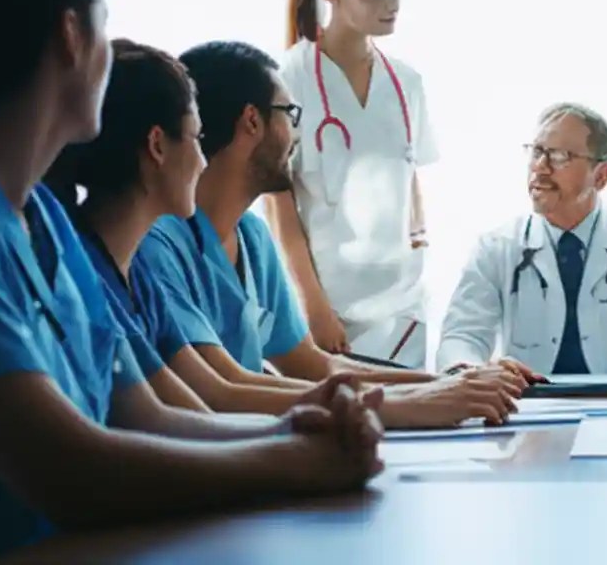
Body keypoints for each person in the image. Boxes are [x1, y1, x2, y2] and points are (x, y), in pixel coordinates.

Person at [0, 0, 382, 564]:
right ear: (69, 35)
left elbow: (143, 416)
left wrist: (297, 433)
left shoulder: (46, 221)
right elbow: (69, 470)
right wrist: (296, 464)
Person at [132, 40, 520, 427]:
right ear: (252, 120)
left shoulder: (252, 236)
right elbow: (220, 388)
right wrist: (419, 402)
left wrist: (449, 384)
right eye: (290, 113)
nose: (298, 135)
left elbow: (312, 364)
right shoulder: (158, 243)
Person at [47, 38, 396, 414]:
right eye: (197, 138)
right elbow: (207, 400)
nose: (202, 161)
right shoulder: (114, 265)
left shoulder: (138, 282)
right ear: (157, 146)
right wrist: (361, 412)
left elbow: (195, 409)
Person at [437, 104, 607, 394]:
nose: (540, 167)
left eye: (560, 156)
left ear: (601, 176)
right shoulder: (496, 248)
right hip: (526, 408)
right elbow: (461, 338)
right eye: (536, 151)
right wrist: (470, 371)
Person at [267, 0, 436, 368]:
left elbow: (410, 179)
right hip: (328, 313)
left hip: (403, 315)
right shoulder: (289, 78)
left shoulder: (406, 83)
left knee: (416, 431)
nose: (394, 2)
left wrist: (419, 243)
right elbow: (278, 206)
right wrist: (313, 307)